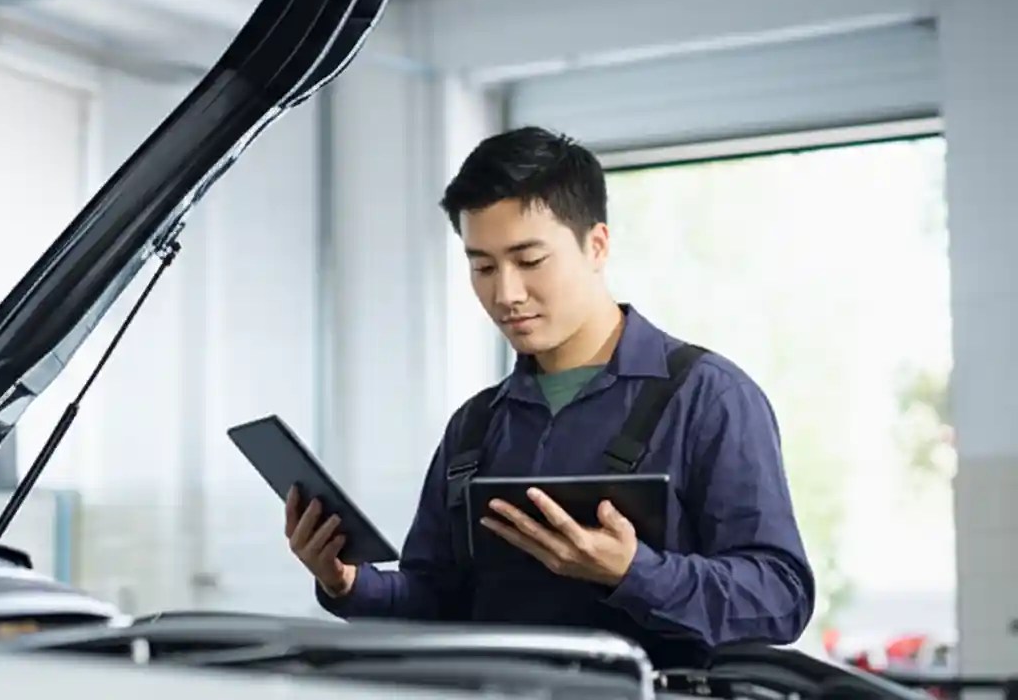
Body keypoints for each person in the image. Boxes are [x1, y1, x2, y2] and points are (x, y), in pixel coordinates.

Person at [283, 126, 815, 667]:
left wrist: (633, 571)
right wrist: (349, 582)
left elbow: (781, 598)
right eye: (482, 267)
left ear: (597, 245)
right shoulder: (474, 425)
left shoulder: (710, 398)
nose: (506, 294)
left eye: (530, 261)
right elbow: (436, 599)